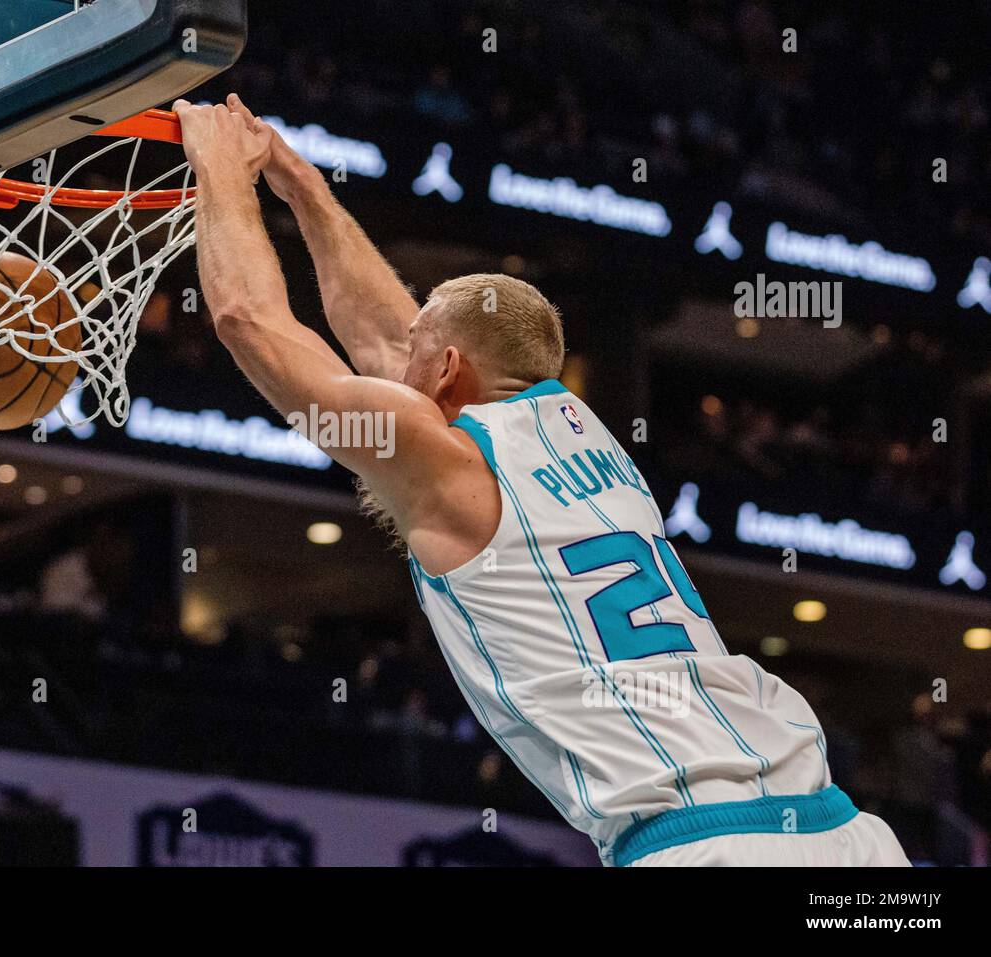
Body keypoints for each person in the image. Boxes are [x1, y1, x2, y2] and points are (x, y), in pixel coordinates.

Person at [169, 93, 909, 866]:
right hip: (848, 833)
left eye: (423, 346)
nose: (397, 359)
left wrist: (221, 172)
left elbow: (248, 320)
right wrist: (301, 186)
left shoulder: (453, 460)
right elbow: (395, 341)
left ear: (449, 370)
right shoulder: (576, 427)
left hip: (708, 846)